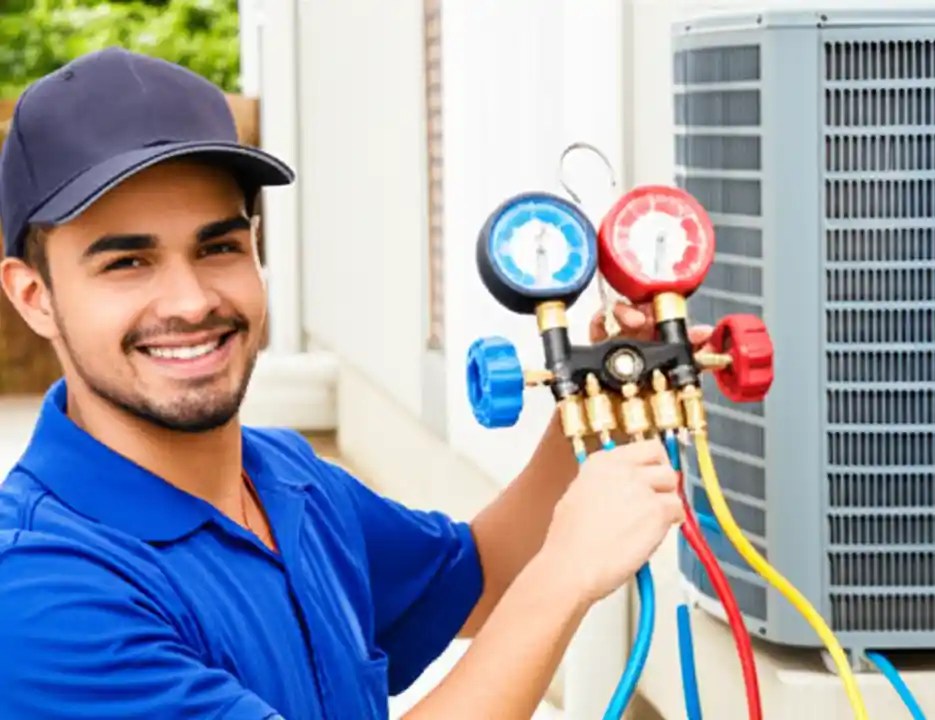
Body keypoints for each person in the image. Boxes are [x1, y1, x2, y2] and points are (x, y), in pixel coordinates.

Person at [0, 47, 706, 719]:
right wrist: (564, 577)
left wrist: (606, 394)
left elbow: (483, 578)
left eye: (218, 247)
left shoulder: (284, 480)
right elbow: (535, 580)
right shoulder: (41, 594)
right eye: (127, 263)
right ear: (34, 296)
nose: (190, 302)